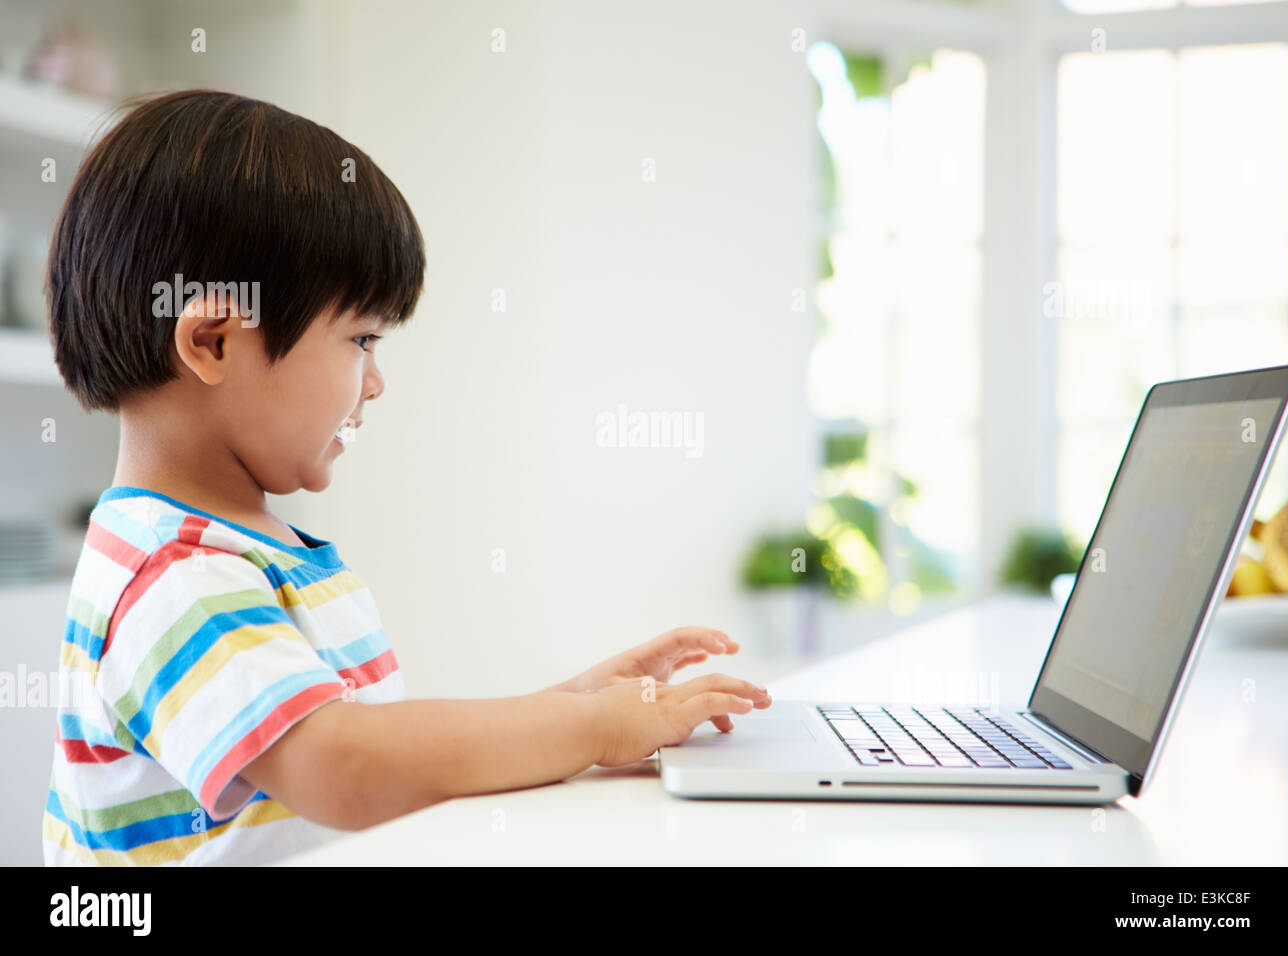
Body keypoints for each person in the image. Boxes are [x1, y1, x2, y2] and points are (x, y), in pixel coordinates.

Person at [42, 89, 770, 865]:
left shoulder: (236, 548)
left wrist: (581, 704)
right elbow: (343, 765)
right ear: (214, 340)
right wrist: (594, 729)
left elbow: (375, 744)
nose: (376, 383)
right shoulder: (173, 575)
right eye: (361, 339)